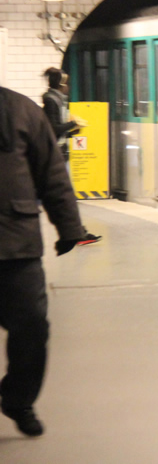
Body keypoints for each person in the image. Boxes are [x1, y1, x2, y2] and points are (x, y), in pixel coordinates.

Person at [0, 84, 98, 437]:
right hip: (18, 238)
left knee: (32, 328)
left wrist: (70, 227)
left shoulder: (21, 110)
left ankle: (17, 399)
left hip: (17, 245)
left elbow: (52, 174)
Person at [41, 68, 81, 163]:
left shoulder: (58, 101)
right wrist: (73, 123)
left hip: (59, 150)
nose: (68, 87)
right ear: (61, 85)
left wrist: (70, 133)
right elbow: (54, 128)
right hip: (55, 151)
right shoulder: (52, 101)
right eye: (67, 84)